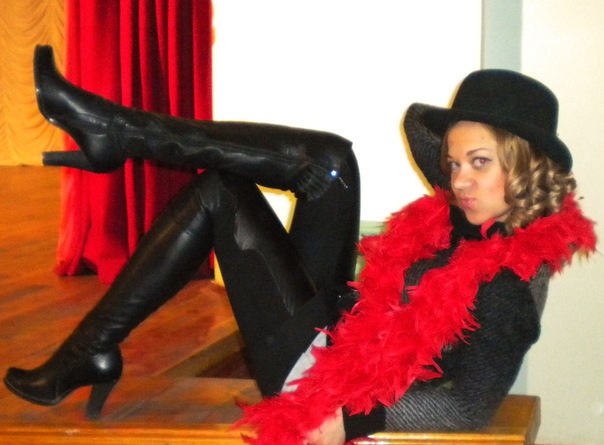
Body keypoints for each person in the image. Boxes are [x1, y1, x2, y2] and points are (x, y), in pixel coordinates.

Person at [4, 46, 596, 445]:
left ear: (524, 167)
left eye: (480, 163)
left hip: (321, 382)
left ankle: (87, 350)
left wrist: (349, 419)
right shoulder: (456, 220)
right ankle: (122, 133)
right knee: (330, 162)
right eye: (455, 163)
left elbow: (468, 407)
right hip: (337, 333)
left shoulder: (509, 285)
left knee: (219, 195)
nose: (459, 180)